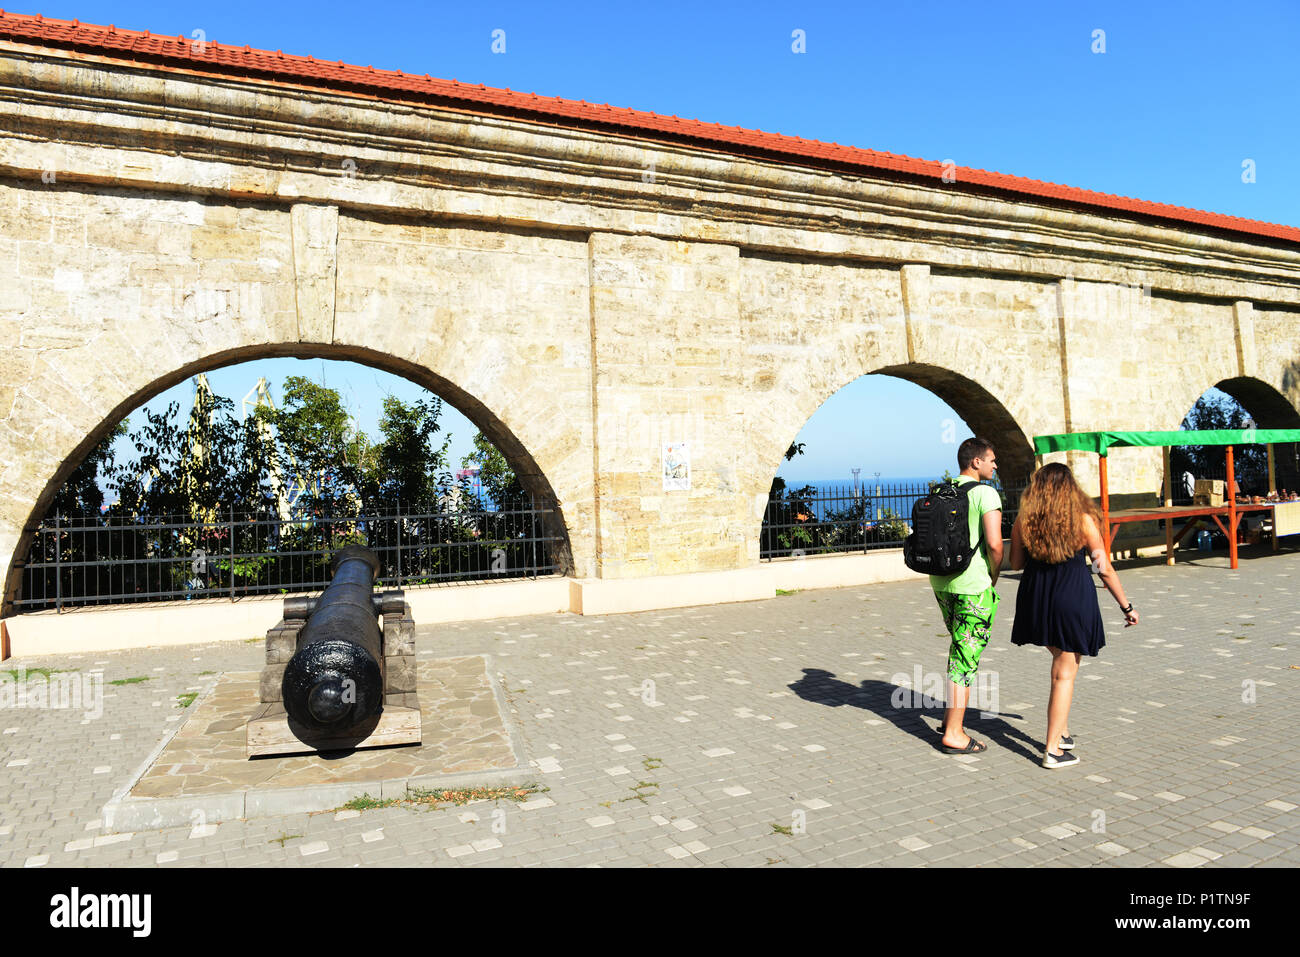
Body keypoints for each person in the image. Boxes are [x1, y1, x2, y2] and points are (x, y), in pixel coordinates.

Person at [1009, 463, 1139, 768]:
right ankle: (1052, 750)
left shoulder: (1024, 520)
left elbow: (1015, 563)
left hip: (1036, 596)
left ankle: (1062, 731)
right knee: (1064, 672)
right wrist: (1126, 606)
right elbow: (1102, 568)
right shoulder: (1083, 521)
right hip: (1071, 595)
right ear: (1071, 489)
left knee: (1063, 660)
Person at [930, 437, 1003, 755]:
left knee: (959, 649)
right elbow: (996, 545)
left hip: (942, 583)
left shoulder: (940, 491)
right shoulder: (986, 494)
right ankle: (955, 734)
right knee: (964, 659)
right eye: (991, 460)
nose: (995, 465)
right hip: (973, 585)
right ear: (976, 462)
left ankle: (950, 722)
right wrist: (994, 576)